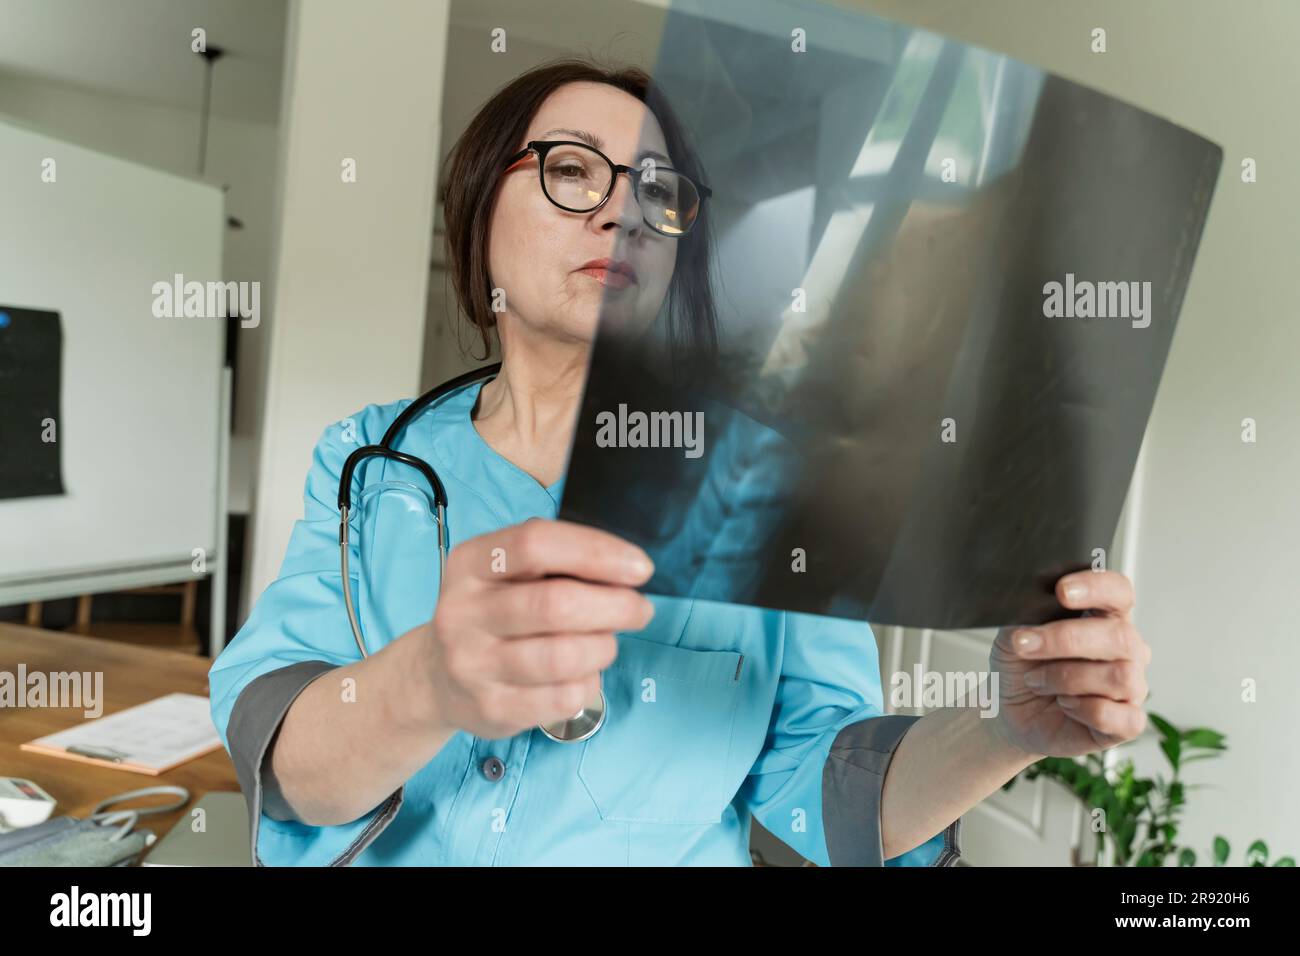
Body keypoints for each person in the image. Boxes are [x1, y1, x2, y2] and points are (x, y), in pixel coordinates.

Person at [208, 58, 1151, 867]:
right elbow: (284, 766)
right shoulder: (370, 461)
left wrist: (1002, 729)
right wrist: (429, 682)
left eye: (658, 192)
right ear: (477, 204)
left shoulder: (775, 484)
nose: (622, 210)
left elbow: (825, 791)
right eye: (571, 170)